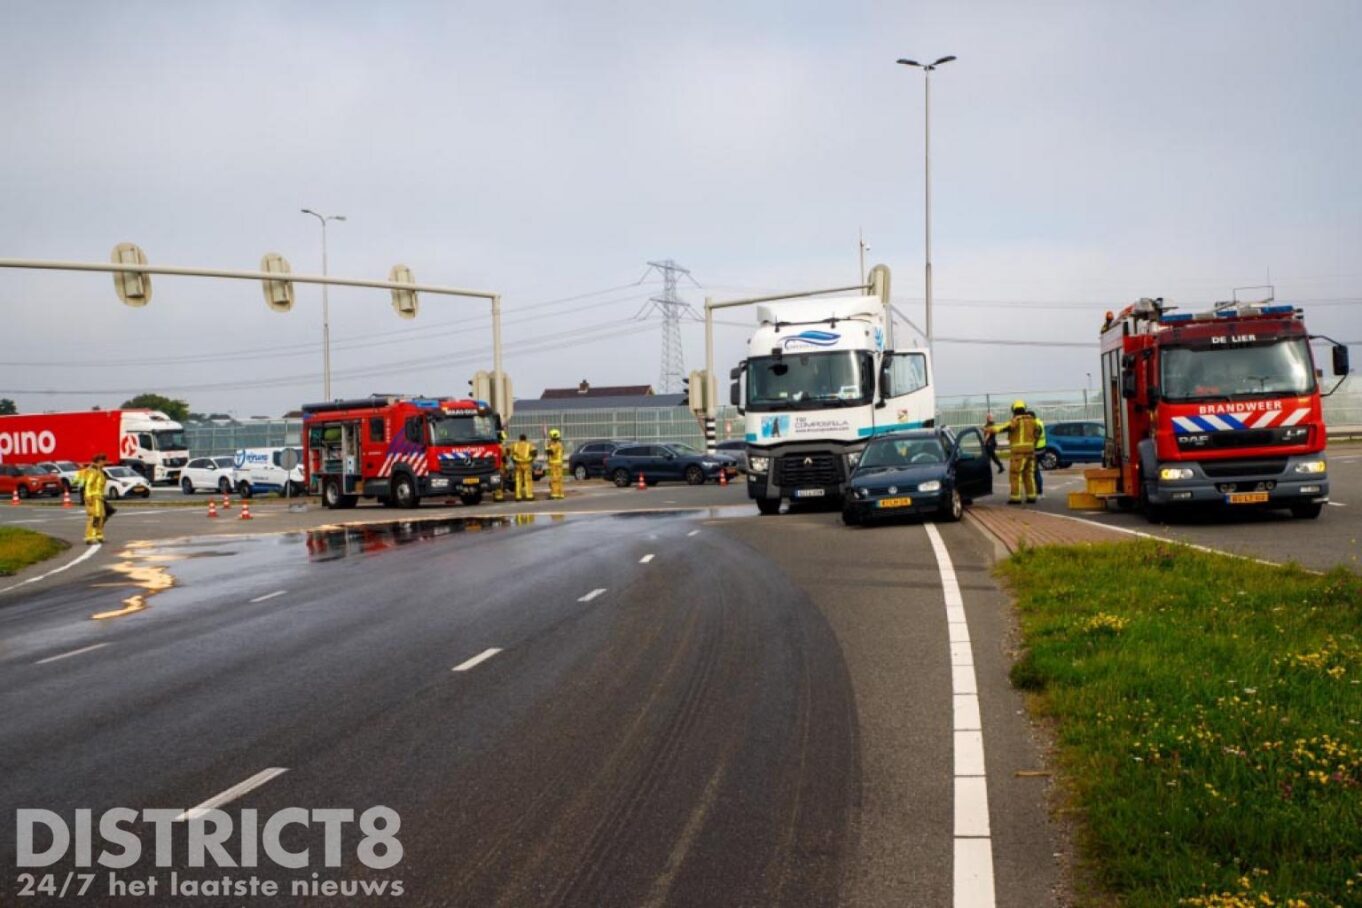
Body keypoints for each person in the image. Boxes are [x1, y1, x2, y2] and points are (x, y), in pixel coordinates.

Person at [986, 400, 1039, 505]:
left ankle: (1015, 498)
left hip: (1018, 454)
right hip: (1030, 452)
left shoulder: (1015, 421)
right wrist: (1032, 445)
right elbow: (1038, 433)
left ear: (1014, 410)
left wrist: (988, 429)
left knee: (1015, 475)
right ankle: (1031, 496)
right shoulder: (1033, 421)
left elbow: (1001, 428)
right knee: (1029, 475)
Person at [76, 453, 110, 544]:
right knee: (93, 517)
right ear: (100, 461)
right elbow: (89, 484)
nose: (105, 463)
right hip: (93, 497)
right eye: (104, 461)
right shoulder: (93, 470)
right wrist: (88, 497)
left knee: (101, 517)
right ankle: (89, 537)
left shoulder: (99, 470)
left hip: (99, 497)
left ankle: (99, 535)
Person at [511, 434, 537, 501]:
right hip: (527, 464)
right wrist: (531, 459)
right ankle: (529, 495)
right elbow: (535, 452)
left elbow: (511, 454)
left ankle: (518, 496)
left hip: (518, 464)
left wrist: (515, 460)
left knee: (518, 480)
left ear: (519, 438)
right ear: (525, 438)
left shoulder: (515, 444)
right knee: (528, 480)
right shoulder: (529, 444)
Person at [1029, 409, 1047, 499]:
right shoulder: (1039, 421)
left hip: (1037, 451)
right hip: (1042, 449)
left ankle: (1039, 492)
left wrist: (1031, 448)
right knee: (1035, 471)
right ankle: (1038, 491)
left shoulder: (1036, 425)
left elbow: (1036, 438)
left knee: (1035, 472)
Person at [545, 428, 565, 501]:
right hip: (559, 463)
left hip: (554, 463)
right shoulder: (560, 444)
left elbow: (550, 452)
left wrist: (547, 447)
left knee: (554, 480)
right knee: (559, 479)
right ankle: (560, 494)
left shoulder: (555, 444)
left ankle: (554, 494)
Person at [494, 430, 510, 502]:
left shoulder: (494, 446)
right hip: (500, 466)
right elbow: (504, 457)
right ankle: (499, 496)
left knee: (496, 480)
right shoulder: (501, 447)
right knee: (500, 481)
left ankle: (496, 494)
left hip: (494, 466)